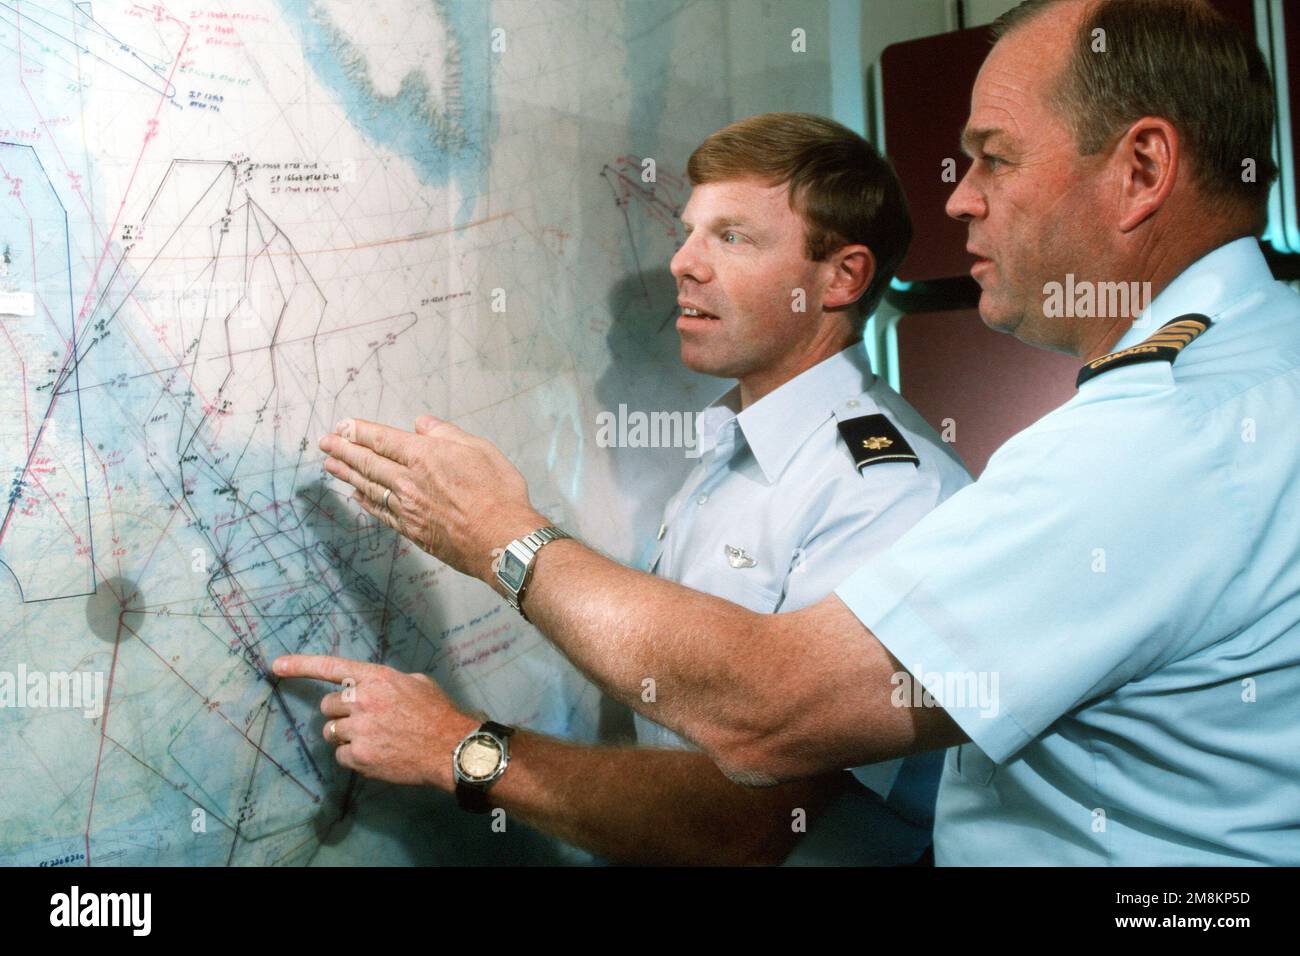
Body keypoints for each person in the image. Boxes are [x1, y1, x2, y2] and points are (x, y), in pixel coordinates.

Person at [279, 0, 1300, 865]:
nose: (960, 195)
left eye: (992, 158)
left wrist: (500, 553)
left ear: (1142, 168)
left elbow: (767, 733)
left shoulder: (1155, 434)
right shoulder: (1241, 374)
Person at [281, 113, 970, 865]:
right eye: (689, 231)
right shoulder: (735, 444)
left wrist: (460, 745)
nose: (683, 262)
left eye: (731, 237)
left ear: (842, 278)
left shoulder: (889, 495)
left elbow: (751, 826)